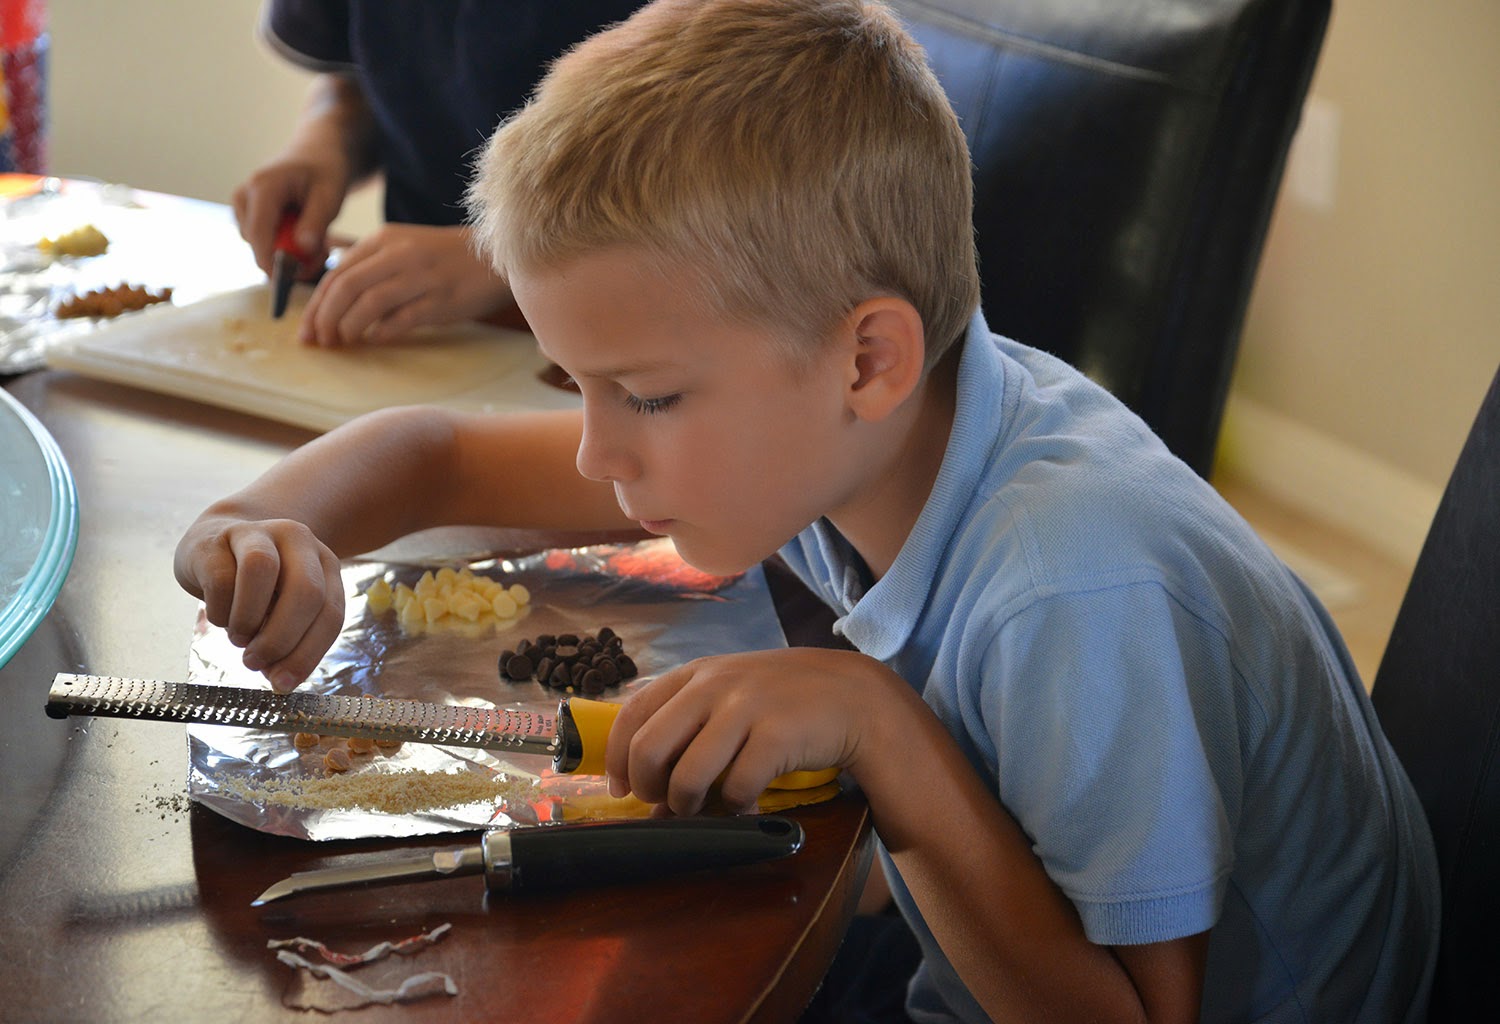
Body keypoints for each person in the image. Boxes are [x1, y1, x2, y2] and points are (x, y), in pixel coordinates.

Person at [177, 1, 1440, 1020]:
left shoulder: (1072, 581)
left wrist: (877, 729)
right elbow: (435, 453)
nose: (598, 451)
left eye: (648, 396)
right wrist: (261, 522)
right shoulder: (858, 433)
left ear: (865, 360)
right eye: (580, 385)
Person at [233, 1, 642, 347]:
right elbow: (355, 73)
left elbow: (702, 159)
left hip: (632, 337)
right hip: (420, 330)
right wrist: (325, 142)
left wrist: (508, 260)